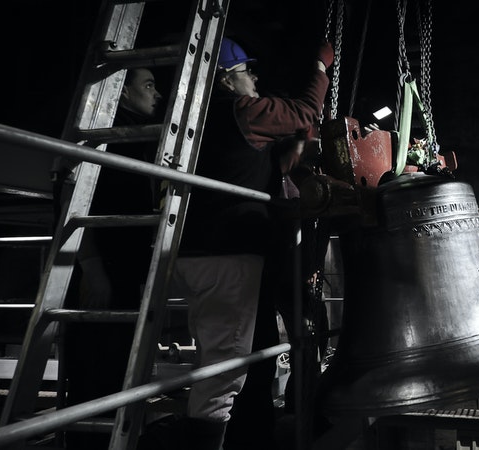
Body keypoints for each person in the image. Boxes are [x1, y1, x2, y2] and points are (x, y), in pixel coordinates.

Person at [165, 36, 334, 450]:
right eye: (245, 72)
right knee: (225, 369)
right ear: (225, 79)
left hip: (203, 251)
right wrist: (320, 67)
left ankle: (250, 437)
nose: (254, 78)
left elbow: (247, 163)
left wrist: (290, 148)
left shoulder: (200, 122)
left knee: (253, 354)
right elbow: (304, 110)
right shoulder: (242, 110)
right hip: (228, 255)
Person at [62, 67, 163, 449]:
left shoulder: (133, 136)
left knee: (118, 370)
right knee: (96, 373)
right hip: (103, 271)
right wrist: (92, 268)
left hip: (122, 270)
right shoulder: (103, 134)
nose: (158, 93)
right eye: (148, 85)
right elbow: (71, 202)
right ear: (121, 92)